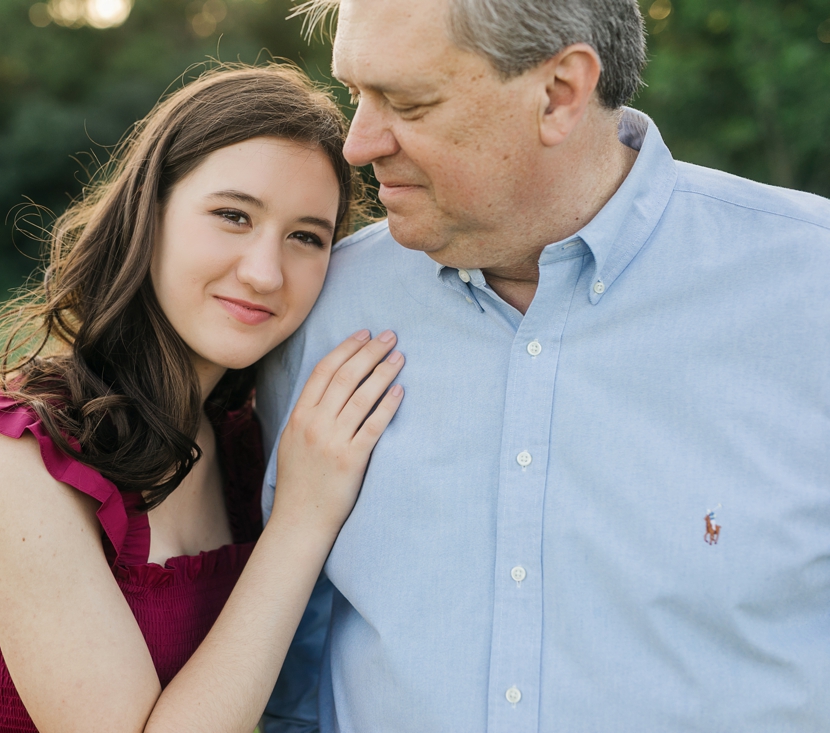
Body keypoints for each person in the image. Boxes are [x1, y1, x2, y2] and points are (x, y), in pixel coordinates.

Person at [258, 1, 830, 732]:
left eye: (408, 102)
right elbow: (291, 676)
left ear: (561, 92)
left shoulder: (811, 290)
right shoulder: (312, 303)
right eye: (355, 95)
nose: (358, 143)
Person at [0, 64, 407, 733]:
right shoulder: (13, 458)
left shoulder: (243, 442)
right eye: (232, 215)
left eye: (307, 236)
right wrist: (302, 519)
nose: (264, 271)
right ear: (149, 212)